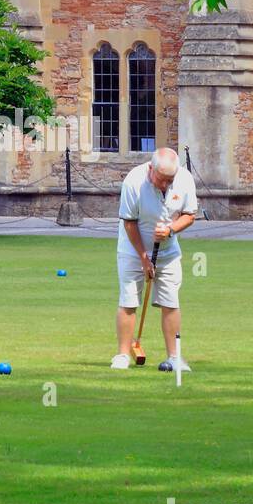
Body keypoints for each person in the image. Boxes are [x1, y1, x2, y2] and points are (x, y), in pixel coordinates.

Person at [111, 146, 198, 371]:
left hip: (167, 251)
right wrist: (143, 258)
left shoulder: (185, 179)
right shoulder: (133, 182)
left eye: (169, 181)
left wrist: (170, 230)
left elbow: (190, 215)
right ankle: (122, 355)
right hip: (132, 249)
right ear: (151, 169)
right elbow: (129, 223)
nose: (165, 185)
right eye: (161, 180)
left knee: (170, 301)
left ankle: (174, 357)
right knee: (129, 300)